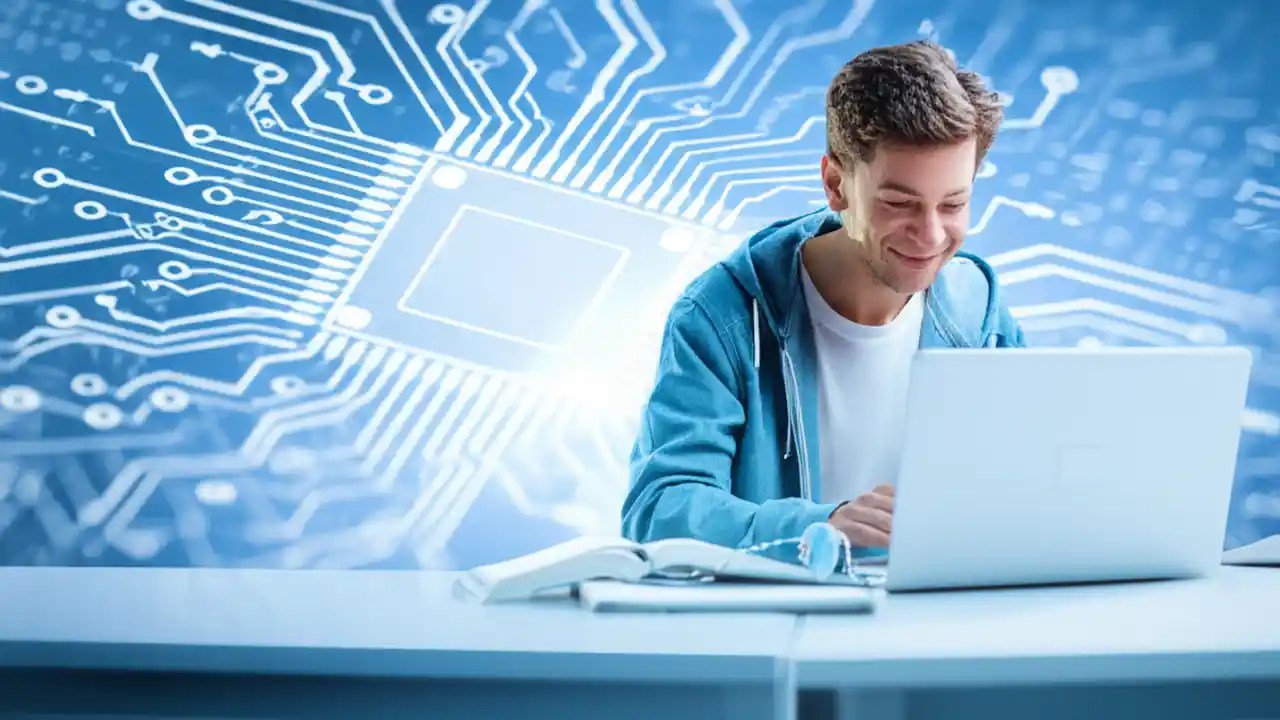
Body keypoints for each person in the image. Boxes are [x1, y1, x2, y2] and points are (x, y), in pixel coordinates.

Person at [620, 40, 1025, 562]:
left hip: (932, 618)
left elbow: (1028, 487)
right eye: (898, 203)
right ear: (836, 185)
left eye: (953, 204)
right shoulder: (721, 316)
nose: (929, 235)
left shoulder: (981, 313)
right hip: (777, 622)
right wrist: (821, 525)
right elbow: (658, 511)